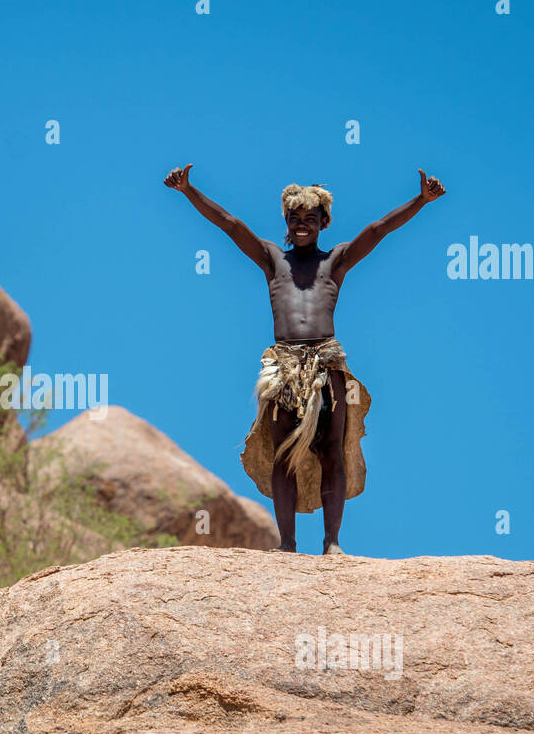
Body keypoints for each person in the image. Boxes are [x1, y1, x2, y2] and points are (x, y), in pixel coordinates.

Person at [164, 165, 446, 553]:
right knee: (283, 454)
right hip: (283, 367)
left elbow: (379, 229)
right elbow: (229, 224)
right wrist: (188, 191)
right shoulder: (272, 260)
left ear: (323, 222)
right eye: (295, 218)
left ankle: (332, 543)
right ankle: (288, 543)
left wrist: (422, 200)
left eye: (310, 218)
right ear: (286, 221)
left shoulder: (336, 263)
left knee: (332, 450)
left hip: (326, 366)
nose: (302, 225)